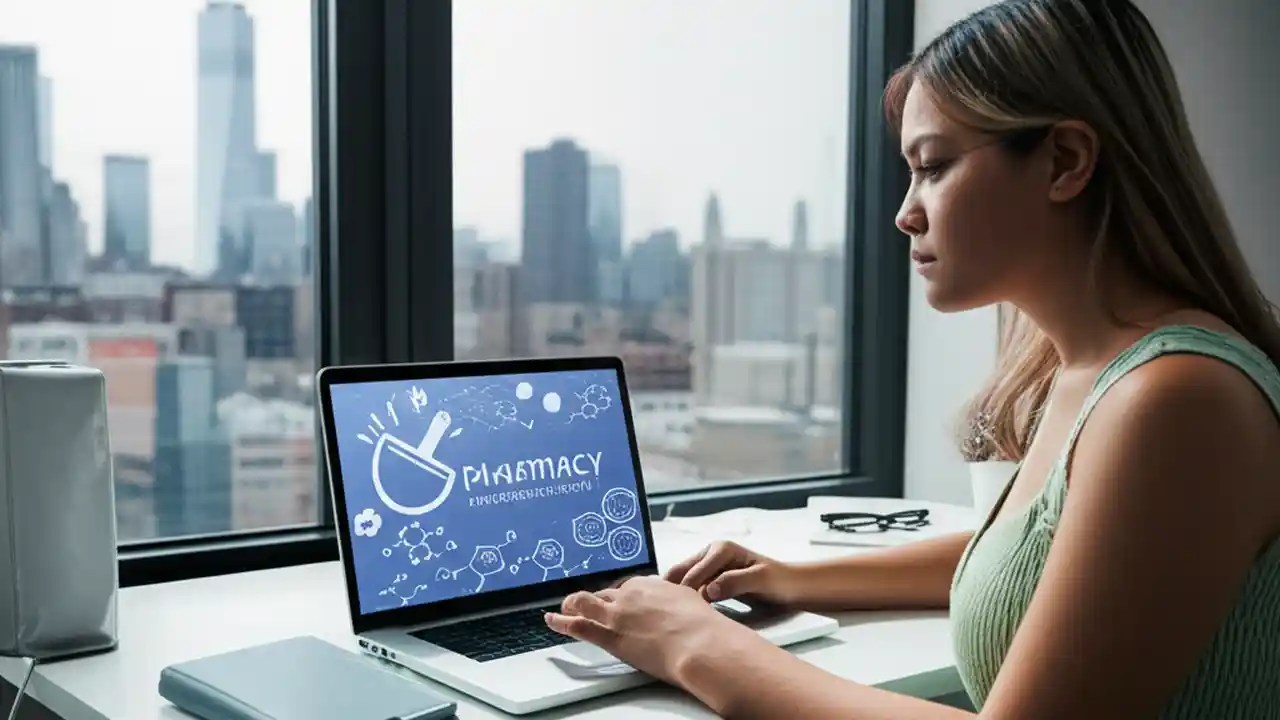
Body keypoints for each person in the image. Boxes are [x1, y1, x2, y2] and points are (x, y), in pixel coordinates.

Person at [543, 0, 1280, 717]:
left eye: (933, 166)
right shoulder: (1091, 373)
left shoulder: (1178, 401)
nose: (905, 211)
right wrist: (792, 578)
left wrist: (692, 643)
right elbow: (1034, 560)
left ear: (1065, 161)